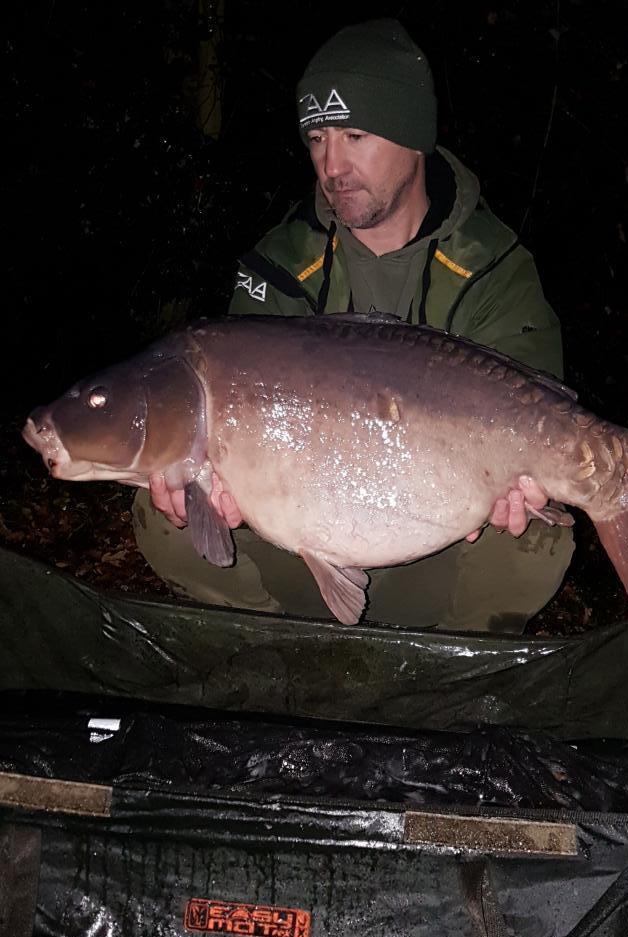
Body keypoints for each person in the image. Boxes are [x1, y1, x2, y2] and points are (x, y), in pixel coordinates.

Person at [133, 18, 574, 632]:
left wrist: (524, 489)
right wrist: (213, 491)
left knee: (537, 545)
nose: (331, 165)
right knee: (163, 512)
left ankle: (441, 670)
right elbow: (228, 414)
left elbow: (542, 414)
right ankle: (281, 649)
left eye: (355, 134)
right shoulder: (282, 263)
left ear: (414, 137)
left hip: (442, 551)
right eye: (316, 138)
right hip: (297, 554)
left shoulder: (494, 269)